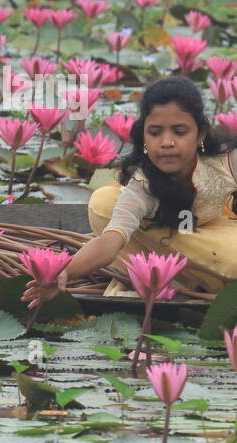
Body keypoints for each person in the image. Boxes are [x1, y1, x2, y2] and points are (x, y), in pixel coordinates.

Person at [25, 76, 237, 307]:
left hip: (217, 231)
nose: (167, 142)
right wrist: (65, 274)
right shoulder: (144, 184)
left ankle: (181, 276)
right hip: (165, 239)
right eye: (155, 132)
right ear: (144, 138)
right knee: (104, 204)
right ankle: (180, 275)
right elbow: (110, 243)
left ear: (200, 136)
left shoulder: (224, 162)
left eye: (179, 131)